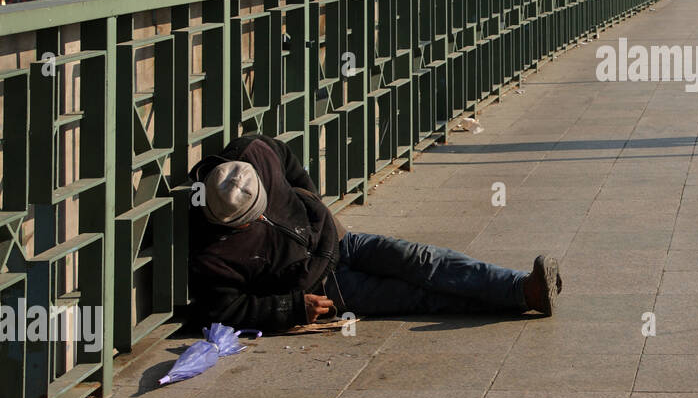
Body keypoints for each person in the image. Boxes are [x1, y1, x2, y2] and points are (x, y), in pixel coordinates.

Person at [186, 133, 560, 332]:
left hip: (339, 239)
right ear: (227, 222)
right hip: (319, 286)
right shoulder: (211, 255)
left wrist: (311, 202)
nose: (261, 219)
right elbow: (223, 308)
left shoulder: (252, 153)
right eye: (251, 221)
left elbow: (285, 157)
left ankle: (522, 286)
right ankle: (518, 297)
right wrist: (291, 308)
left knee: (423, 260)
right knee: (414, 295)